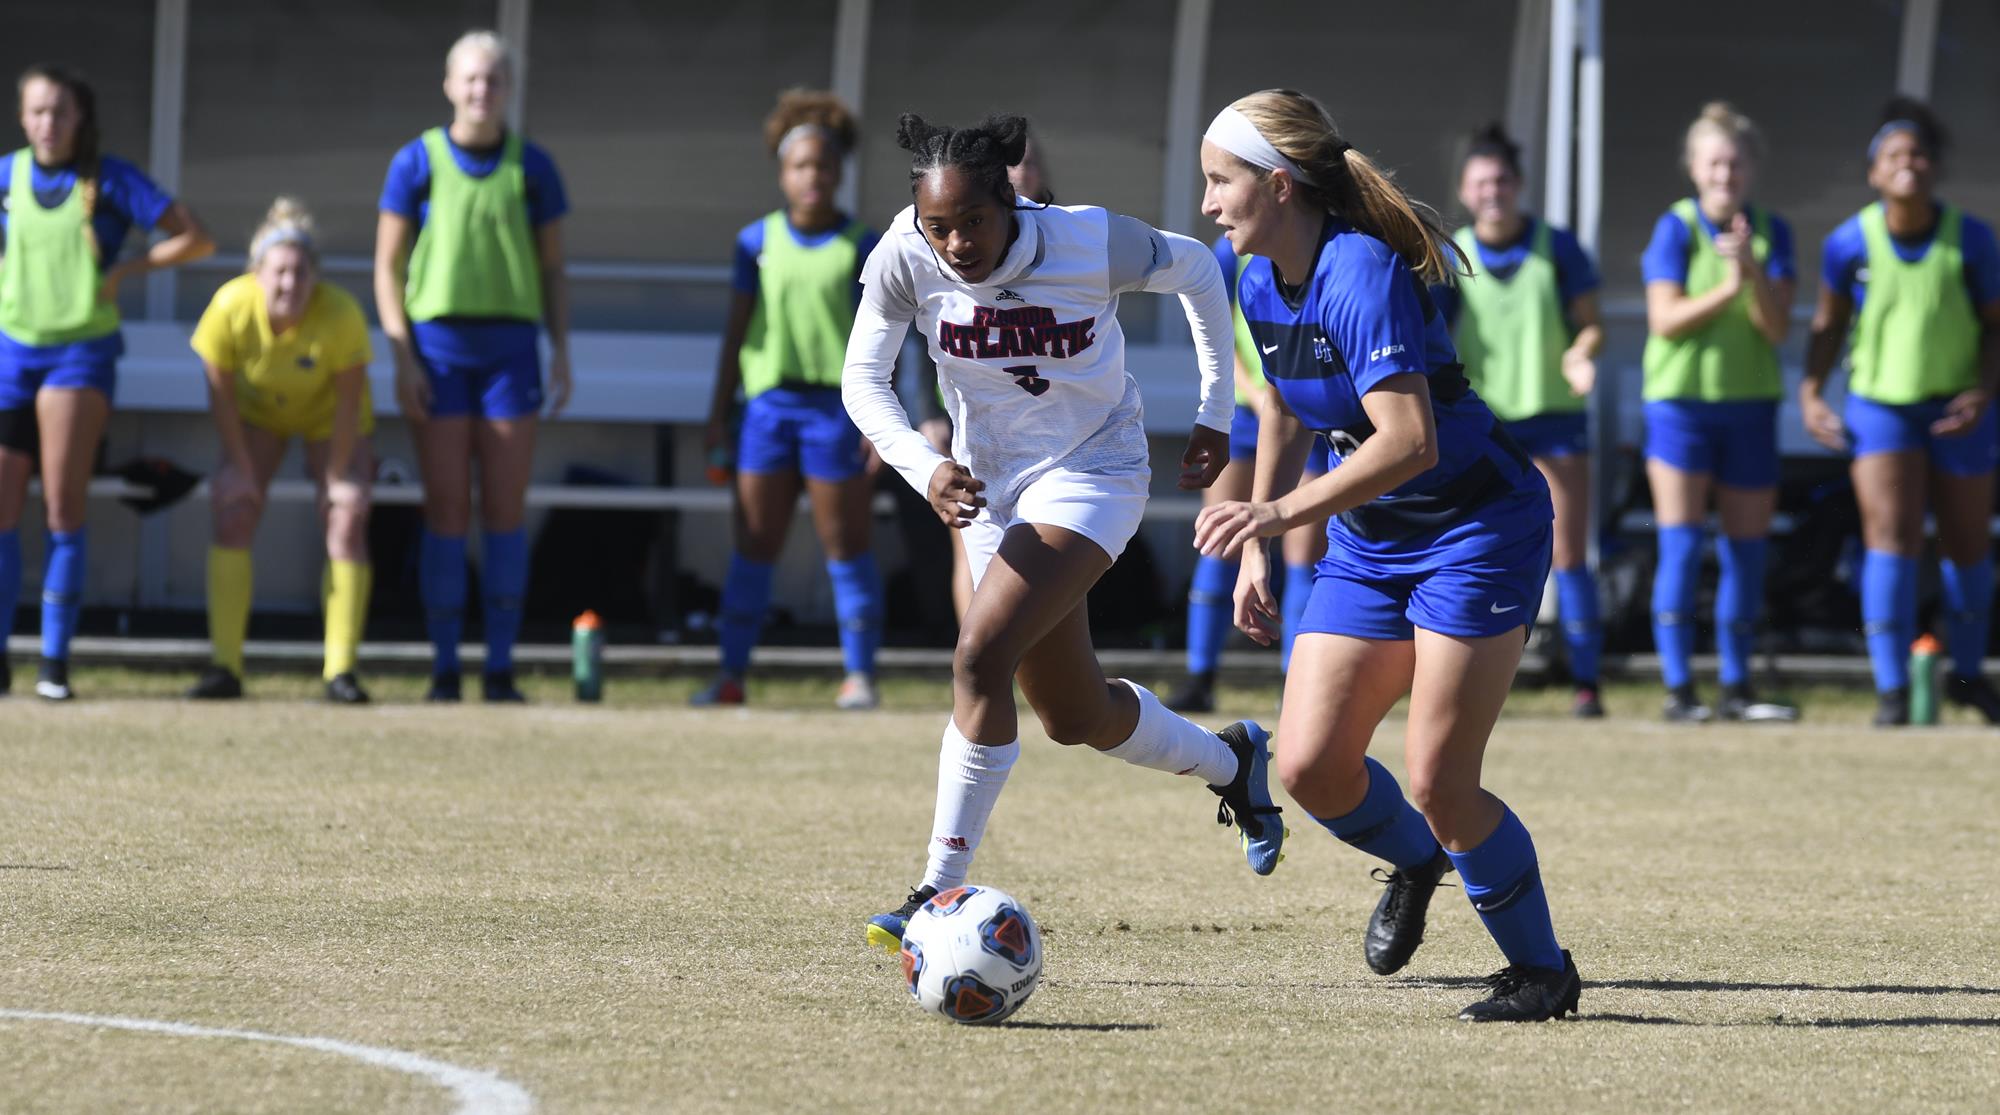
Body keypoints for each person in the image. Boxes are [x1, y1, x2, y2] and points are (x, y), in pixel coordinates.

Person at [843, 112, 1283, 954]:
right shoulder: (903, 251)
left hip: (1095, 470)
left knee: (979, 656)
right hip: (988, 487)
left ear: (1011, 201)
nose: (957, 243)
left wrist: (1215, 412)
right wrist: (924, 467)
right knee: (1073, 713)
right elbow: (862, 380)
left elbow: (1198, 269)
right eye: (939, 226)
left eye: (974, 221)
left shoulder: (1088, 240)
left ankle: (935, 890)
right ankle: (1234, 764)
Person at [1195, 88, 1579, 1021]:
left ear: (1279, 185)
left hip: (1477, 529)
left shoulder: (1359, 269)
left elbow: (1410, 441)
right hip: (1372, 541)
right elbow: (1282, 406)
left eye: (1221, 181)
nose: (1207, 203)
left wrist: (1276, 512)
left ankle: (1542, 972)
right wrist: (1259, 542)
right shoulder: (1251, 273)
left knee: (1440, 779)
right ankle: (1416, 861)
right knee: (1309, 766)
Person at [0, 63, 212, 700]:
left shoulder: (110, 179)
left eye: (60, 112)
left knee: (63, 509)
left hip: (78, 356)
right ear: (22, 116)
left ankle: (54, 662)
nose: (49, 123)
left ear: (80, 118)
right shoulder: (8, 176)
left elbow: (195, 238)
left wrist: (126, 272)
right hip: (11, 355)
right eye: (38, 111)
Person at [375, 30, 571, 703]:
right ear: (449, 85)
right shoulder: (416, 162)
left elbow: (553, 268)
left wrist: (561, 349)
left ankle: (500, 668)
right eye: (471, 78)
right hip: (437, 349)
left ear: (508, 89)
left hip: (510, 351)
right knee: (448, 508)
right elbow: (386, 268)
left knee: (505, 510)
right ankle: (443, 668)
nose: (481, 90)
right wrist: (402, 355)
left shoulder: (533, 167)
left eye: (493, 79)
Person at [1801, 97, 2000, 727]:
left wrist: (1984, 391)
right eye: (1893, 155)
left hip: (1958, 409)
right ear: (1873, 172)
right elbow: (1828, 324)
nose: (1906, 164)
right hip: (1881, 406)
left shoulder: (1971, 239)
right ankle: (1892, 689)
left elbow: (1996, 328)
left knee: (1968, 541)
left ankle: (1967, 676)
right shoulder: (1848, 242)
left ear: (1933, 167)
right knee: (1891, 538)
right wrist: (1811, 393)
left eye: (1917, 154)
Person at [694, 90, 884, 710]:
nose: (813, 177)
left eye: (824, 165)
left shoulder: (861, 245)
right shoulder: (755, 242)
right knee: (754, 546)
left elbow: (886, 341)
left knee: (846, 546)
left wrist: (880, 421)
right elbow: (735, 334)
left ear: (840, 172)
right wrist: (717, 414)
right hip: (767, 412)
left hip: (837, 412)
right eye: (801, 165)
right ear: (782, 172)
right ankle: (730, 676)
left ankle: (859, 677)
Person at [1639, 102, 1797, 723]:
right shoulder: (1675, 228)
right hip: (1680, 407)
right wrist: (1727, 287)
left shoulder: (1773, 231)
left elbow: (1776, 327)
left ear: (1751, 168)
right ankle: (1679, 688)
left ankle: (1736, 684)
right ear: (1694, 168)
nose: (1725, 175)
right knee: (1681, 545)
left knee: (1745, 551)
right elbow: (1665, 319)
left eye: (1735, 164)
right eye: (1714, 164)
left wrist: (1751, 269)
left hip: (1750, 406)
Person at [1442, 123, 1607, 718]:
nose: (1494, 192)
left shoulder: (1557, 248)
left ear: (1520, 185)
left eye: (1503, 181)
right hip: (1482, 426)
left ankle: (1587, 684)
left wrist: (1582, 352)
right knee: (1471, 552)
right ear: (1464, 191)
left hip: (1554, 417)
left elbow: (1591, 325)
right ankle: (1470, 679)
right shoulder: (1450, 254)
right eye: (1482, 182)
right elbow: (1429, 334)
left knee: (1570, 553)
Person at [185, 197, 375, 704]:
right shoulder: (229, 307)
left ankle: (341, 672)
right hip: (259, 415)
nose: (290, 283)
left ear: (316, 276)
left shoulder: (341, 314)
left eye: (300, 272)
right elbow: (221, 396)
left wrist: (338, 476)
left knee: (346, 519)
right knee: (235, 509)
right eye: (279, 272)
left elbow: (349, 403)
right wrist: (239, 468)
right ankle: (225, 667)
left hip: (328, 417)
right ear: (257, 273)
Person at [1164, 235, 1329, 714]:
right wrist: (1258, 396)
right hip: (1242, 417)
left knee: (1303, 555)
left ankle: (1294, 684)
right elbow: (1215, 337)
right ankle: (1200, 677)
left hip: (1308, 417)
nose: (1213, 206)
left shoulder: (1324, 245)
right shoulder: (1229, 252)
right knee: (1220, 540)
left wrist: (1285, 402)